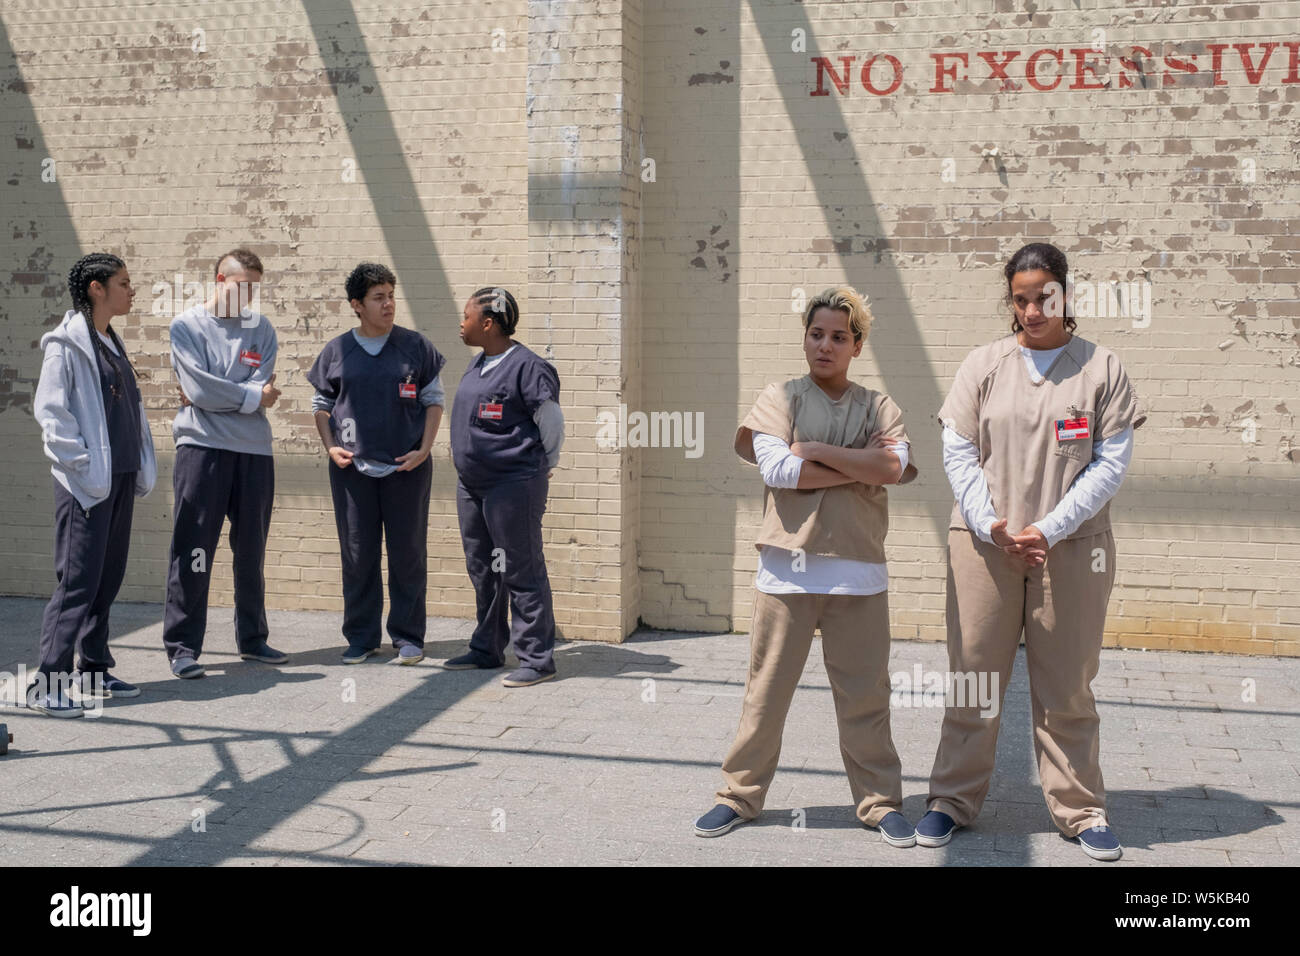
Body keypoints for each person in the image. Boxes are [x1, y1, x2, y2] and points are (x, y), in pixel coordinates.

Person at [916, 242, 1146, 862]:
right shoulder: (984, 365)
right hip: (983, 546)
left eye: (1043, 295)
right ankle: (950, 801)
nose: (1031, 309)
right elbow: (958, 451)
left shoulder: (1101, 369)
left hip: (1071, 552)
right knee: (974, 677)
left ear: (1065, 294)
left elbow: (1110, 463)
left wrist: (1051, 526)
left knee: (1067, 682)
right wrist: (992, 524)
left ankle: (1081, 809)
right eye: (1019, 299)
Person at [693, 287, 920, 846]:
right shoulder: (781, 397)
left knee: (866, 698)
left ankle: (879, 803)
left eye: (839, 336)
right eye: (816, 333)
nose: (825, 345)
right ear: (805, 338)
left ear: (857, 345)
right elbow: (780, 473)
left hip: (859, 573)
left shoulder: (880, 406)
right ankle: (739, 796)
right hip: (785, 574)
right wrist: (860, 466)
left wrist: (814, 450)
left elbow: (895, 466)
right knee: (766, 695)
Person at [30, 253, 157, 716]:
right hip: (86, 485)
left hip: (119, 478)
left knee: (107, 579)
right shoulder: (65, 345)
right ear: (96, 289)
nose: (132, 290)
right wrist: (81, 466)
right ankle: (48, 682)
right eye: (123, 283)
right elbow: (52, 414)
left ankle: (94, 668)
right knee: (77, 583)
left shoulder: (110, 341)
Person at [309, 263, 445, 664]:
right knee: (357, 553)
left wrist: (423, 449)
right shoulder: (336, 351)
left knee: (407, 553)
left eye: (391, 295)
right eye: (378, 298)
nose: (388, 304)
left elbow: (434, 401)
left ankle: (407, 638)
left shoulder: (415, 347)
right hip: (353, 471)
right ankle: (362, 637)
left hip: (407, 468)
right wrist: (331, 447)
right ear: (357, 305)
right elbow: (321, 406)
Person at [162, 248, 283, 679]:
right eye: (241, 286)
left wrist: (229, 394)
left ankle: (253, 640)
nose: (248, 295)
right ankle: (182, 646)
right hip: (201, 449)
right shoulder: (187, 326)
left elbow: (242, 385)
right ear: (220, 280)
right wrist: (251, 398)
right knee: (194, 549)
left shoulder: (262, 329)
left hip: (254, 453)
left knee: (251, 551)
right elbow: (199, 389)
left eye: (254, 287)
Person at [443, 287, 564, 688]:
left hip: (513, 485)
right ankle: (487, 648)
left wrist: (544, 465)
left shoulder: (529, 368)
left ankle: (536, 659)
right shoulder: (479, 364)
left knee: (520, 567)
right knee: (485, 567)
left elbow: (551, 422)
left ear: (488, 323)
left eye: (466, 317)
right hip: (473, 486)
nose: (461, 324)